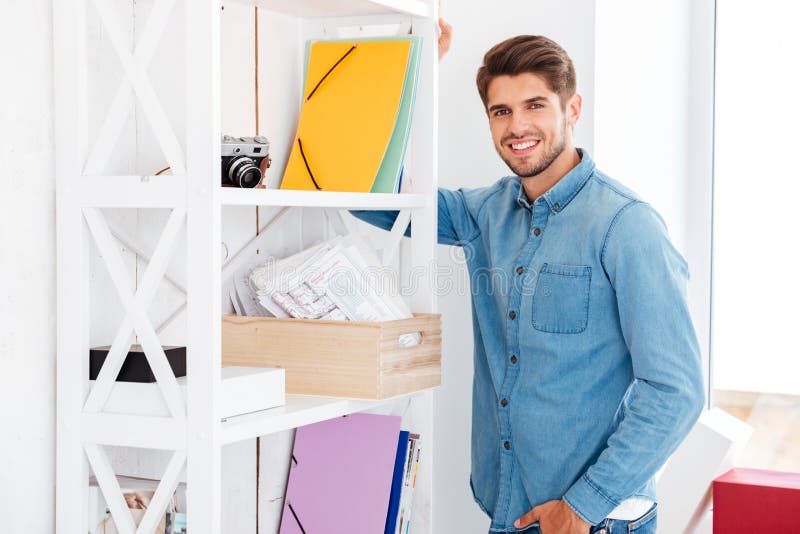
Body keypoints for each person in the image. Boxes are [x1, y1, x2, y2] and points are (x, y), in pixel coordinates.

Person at [355, 31, 705, 534]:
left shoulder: (627, 227)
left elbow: (676, 390)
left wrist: (584, 505)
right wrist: (420, 70)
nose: (517, 126)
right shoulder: (484, 213)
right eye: (500, 111)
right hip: (508, 509)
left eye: (535, 105)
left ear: (572, 108)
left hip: (592, 522)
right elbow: (367, 191)